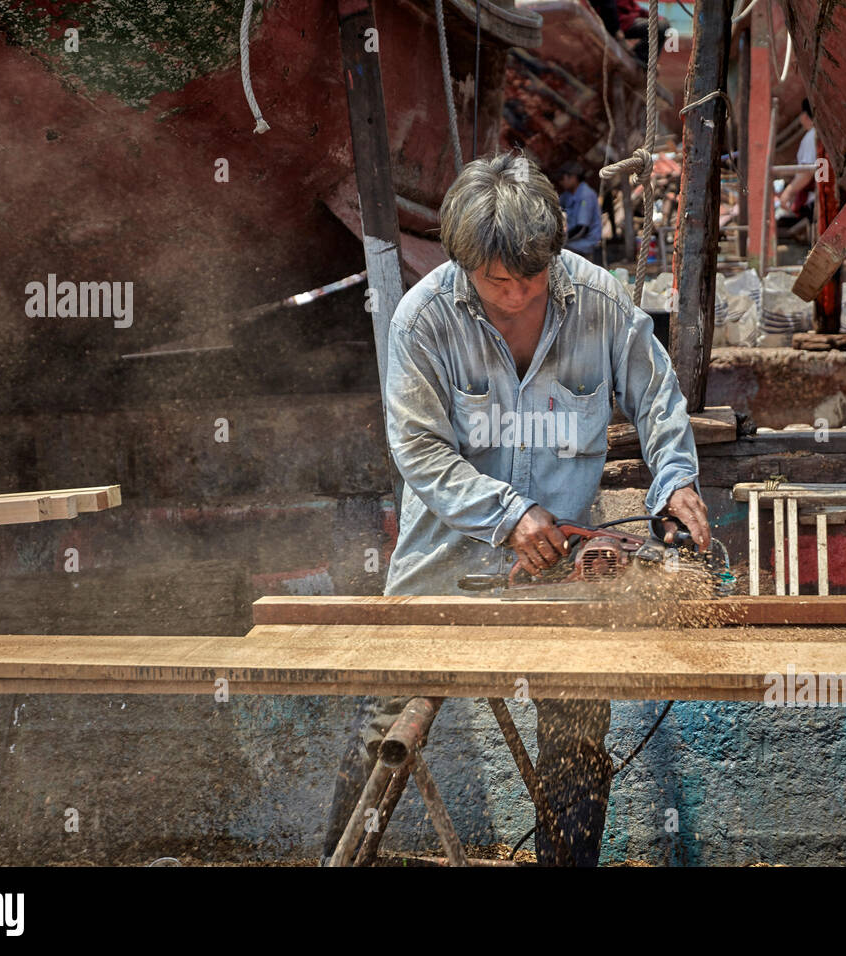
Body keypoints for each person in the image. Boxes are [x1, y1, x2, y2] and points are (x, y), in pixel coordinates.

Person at [320, 152, 710, 867]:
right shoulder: (422, 321)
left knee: (575, 729)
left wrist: (675, 482)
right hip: (442, 571)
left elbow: (657, 399)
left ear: (554, 254)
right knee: (385, 724)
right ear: (464, 262)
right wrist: (509, 514)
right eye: (499, 281)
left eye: (533, 277)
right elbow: (420, 451)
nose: (518, 293)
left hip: (561, 578)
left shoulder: (599, 302)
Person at [777, 99, 817, 236]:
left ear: (805, 116)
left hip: (817, 197)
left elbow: (807, 173)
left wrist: (788, 193)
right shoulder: (818, 134)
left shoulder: (812, 136)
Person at [556, 161, 602, 262]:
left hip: (586, 243)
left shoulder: (586, 195)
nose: (560, 182)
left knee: (556, 252)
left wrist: (563, 239)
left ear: (573, 177)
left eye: (562, 178)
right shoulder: (568, 195)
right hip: (575, 240)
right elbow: (556, 205)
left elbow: (582, 229)